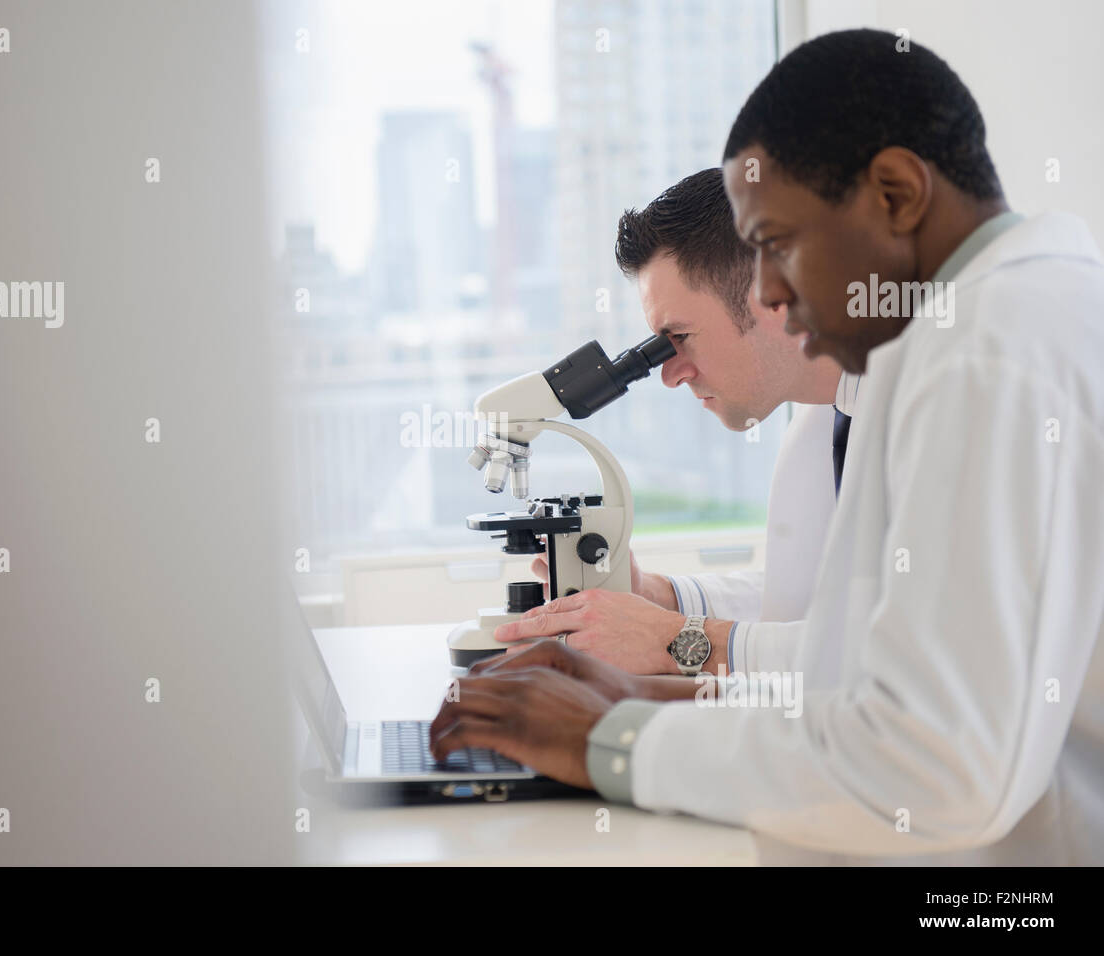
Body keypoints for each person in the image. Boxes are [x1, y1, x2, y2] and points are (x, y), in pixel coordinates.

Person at [431, 28, 1104, 864]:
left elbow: (932, 770)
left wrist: (614, 738)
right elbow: (852, 658)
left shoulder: (989, 353)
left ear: (896, 193)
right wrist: (640, 691)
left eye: (778, 248)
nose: (774, 295)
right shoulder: (965, 337)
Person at [495, 168, 857, 683]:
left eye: (679, 336)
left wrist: (673, 642)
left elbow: (907, 656)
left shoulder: (943, 413)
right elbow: (805, 599)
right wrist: (657, 599)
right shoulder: (828, 411)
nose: (671, 374)